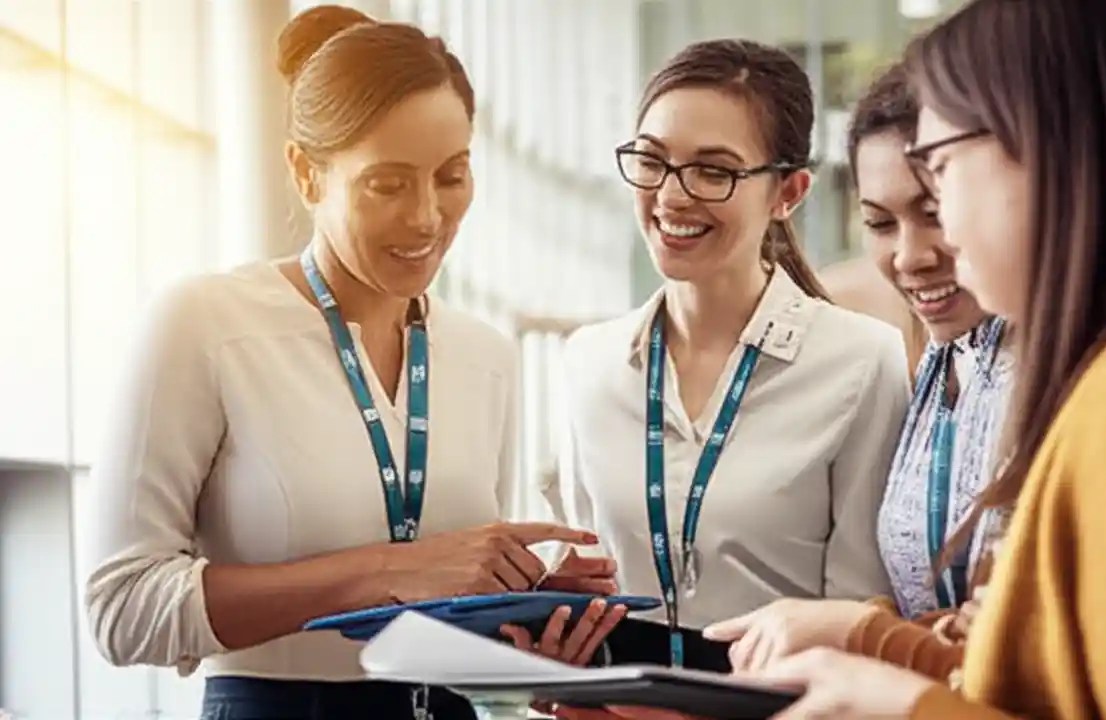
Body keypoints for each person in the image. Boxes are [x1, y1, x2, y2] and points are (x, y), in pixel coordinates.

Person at [741, 0, 1106, 717]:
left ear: (1054, 147)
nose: (938, 232)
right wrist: (869, 638)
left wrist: (902, 707)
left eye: (941, 171)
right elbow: (1052, 681)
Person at [77, 7, 619, 720]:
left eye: (451, 175)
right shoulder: (204, 323)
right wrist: (395, 571)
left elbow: (451, 624)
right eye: (388, 185)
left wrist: (530, 621)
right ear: (306, 173)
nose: (428, 217)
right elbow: (121, 611)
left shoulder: (483, 355)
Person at [533, 39, 911, 673]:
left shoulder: (862, 361)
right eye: (652, 161)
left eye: (714, 171)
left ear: (788, 192)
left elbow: (859, 611)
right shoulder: (587, 363)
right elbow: (588, 582)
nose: (672, 196)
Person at [703, 63, 1013, 676]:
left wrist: (857, 630)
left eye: (935, 211)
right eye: (879, 222)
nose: (909, 256)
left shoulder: (1069, 370)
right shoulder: (939, 356)